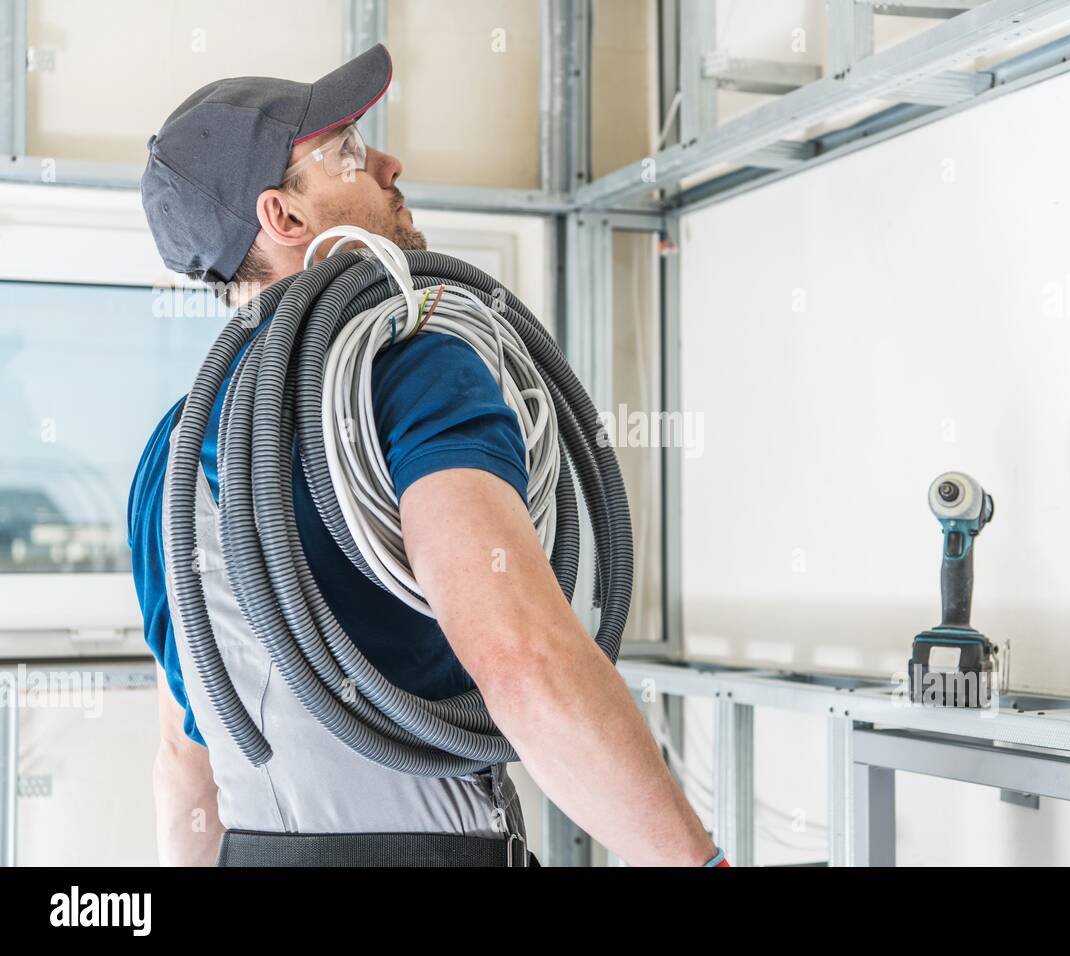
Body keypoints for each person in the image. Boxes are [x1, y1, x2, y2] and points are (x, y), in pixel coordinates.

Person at [129, 43, 725, 867]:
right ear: (286, 219)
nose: (386, 163)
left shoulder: (169, 457)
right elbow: (525, 662)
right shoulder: (405, 366)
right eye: (346, 156)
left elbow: (186, 764)